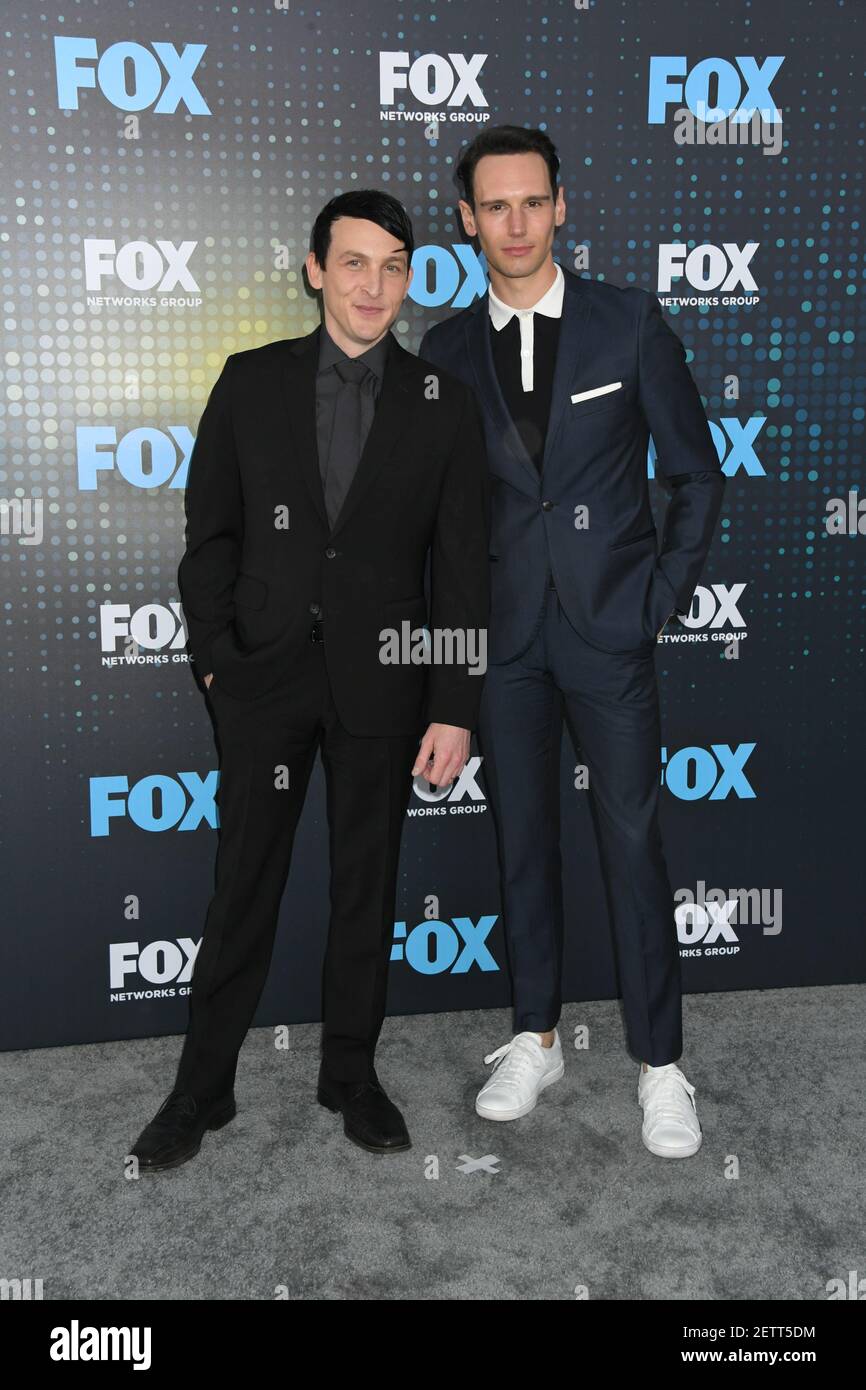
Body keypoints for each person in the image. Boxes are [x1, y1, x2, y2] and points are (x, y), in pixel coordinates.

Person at [129, 190, 490, 1169]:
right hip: (262, 681)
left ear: (408, 278)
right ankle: (201, 1090)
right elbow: (210, 540)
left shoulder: (441, 406)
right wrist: (216, 660)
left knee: (365, 889)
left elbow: (460, 568)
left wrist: (454, 705)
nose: (375, 284)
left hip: (385, 686)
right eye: (355, 262)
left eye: (393, 265)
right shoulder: (250, 383)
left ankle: (350, 1074)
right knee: (241, 884)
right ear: (314, 269)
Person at [420, 126, 725, 1158]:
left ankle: (658, 1061)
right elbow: (442, 527)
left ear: (559, 207)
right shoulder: (444, 350)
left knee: (633, 842)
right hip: (502, 643)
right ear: (466, 219)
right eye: (490, 207)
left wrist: (655, 600)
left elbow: (693, 473)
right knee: (520, 846)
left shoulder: (627, 324)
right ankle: (536, 1035)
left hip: (608, 631)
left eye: (529, 203)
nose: (512, 223)